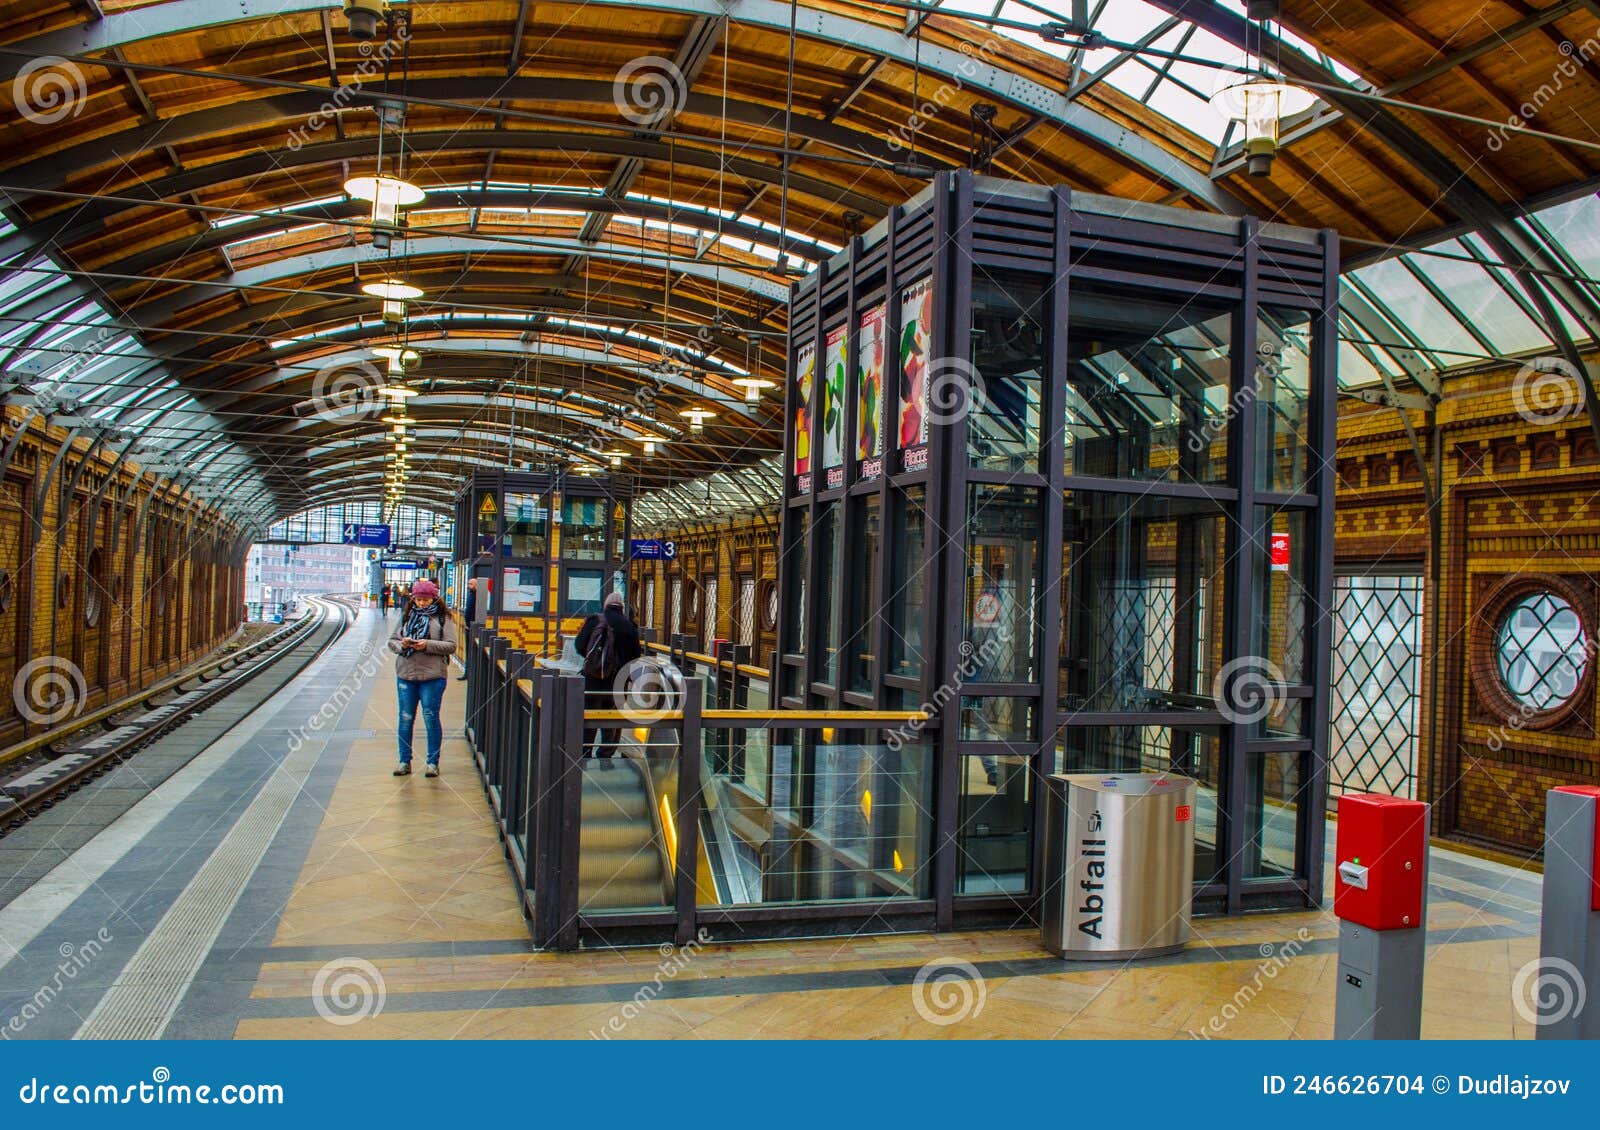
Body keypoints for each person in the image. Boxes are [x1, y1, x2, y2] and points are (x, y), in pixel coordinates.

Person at [388, 578, 458, 778]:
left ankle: (432, 763)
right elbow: (392, 640)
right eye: (419, 599)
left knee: (430, 717)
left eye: (426, 600)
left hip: (433, 675)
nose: (422, 603)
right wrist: (403, 645)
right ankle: (404, 761)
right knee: (405, 718)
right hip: (406, 673)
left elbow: (452, 645)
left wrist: (426, 644)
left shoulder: (444, 618)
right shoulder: (406, 615)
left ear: (434, 599)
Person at [574, 592, 642, 758]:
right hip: (617, 680)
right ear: (622, 607)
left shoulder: (595, 620)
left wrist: (595, 664)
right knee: (612, 716)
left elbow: (579, 645)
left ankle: (585, 751)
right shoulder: (629, 626)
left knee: (590, 714)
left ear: (606, 605)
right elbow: (635, 655)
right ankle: (606, 753)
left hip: (593, 679)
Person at [455, 578, 477, 681]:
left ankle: (469, 673)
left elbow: (468, 611)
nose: (469, 585)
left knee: (471, 651)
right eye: (468, 583)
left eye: (471, 584)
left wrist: (467, 623)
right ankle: (468, 673)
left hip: (472, 627)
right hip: (470, 626)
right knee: (469, 651)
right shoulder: (471, 595)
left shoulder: (474, 596)